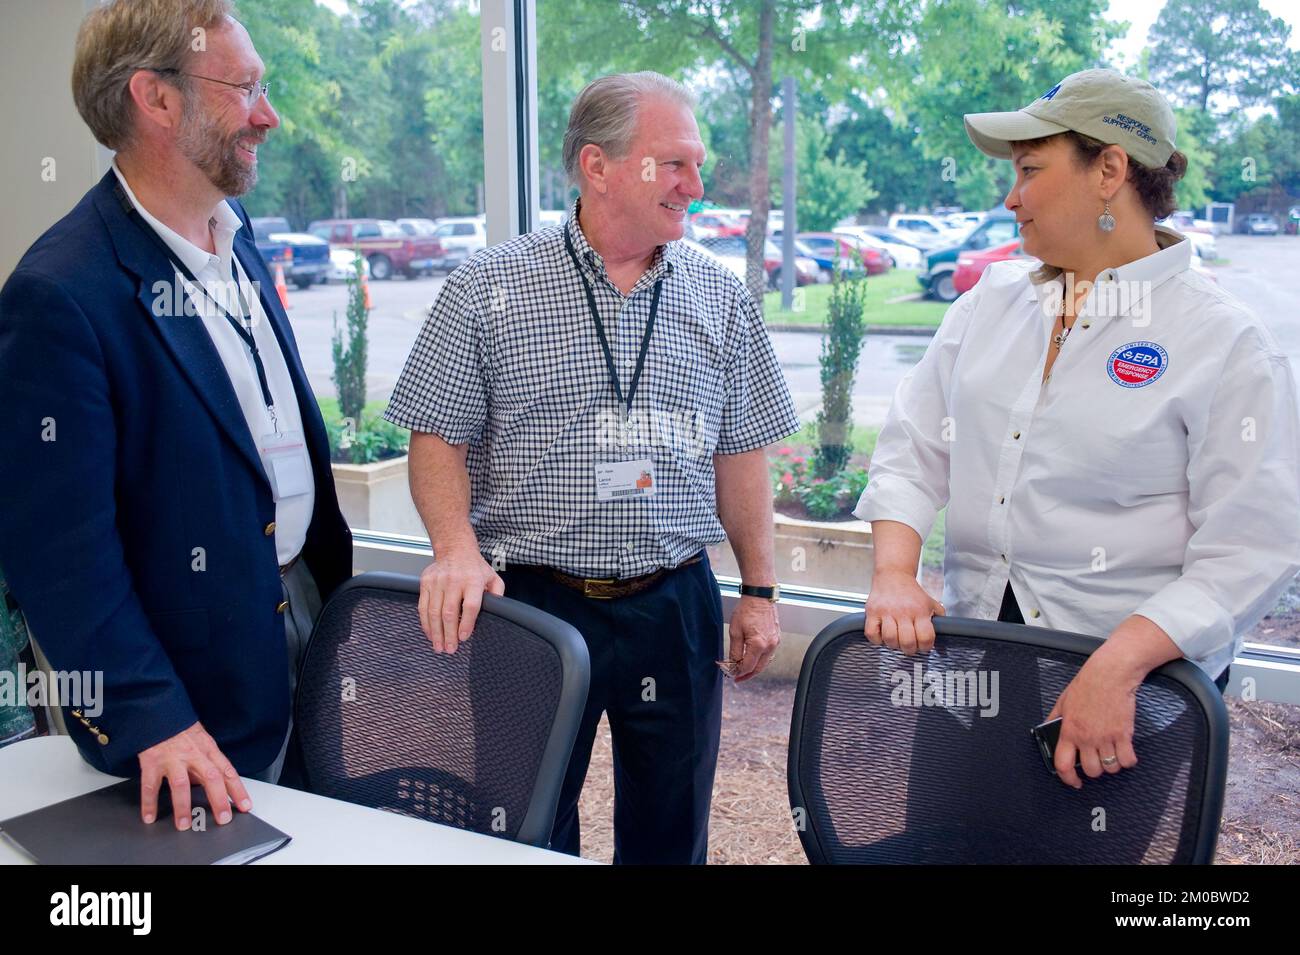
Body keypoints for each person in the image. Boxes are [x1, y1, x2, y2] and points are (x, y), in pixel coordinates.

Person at [384, 71, 799, 863]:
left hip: (673, 600)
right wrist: (453, 546)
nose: (697, 186)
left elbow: (743, 449)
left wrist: (759, 590)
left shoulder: (720, 295)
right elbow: (437, 434)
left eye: (699, 165)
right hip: (532, 601)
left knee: (671, 828)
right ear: (597, 166)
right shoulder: (488, 285)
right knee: (523, 822)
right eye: (674, 163)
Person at [856, 68, 1300, 789]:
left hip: (1118, 706)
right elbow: (913, 447)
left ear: (1110, 171)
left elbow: (1252, 547)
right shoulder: (987, 306)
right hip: (971, 672)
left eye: (1030, 169)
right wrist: (893, 573)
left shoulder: (1224, 342)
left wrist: (1118, 665)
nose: (1011, 197)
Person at [0, 0, 351, 829]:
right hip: (188, 678)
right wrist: (150, 712)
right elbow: (57, 551)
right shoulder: (60, 295)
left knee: (320, 827)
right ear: (155, 100)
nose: (269, 115)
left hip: (303, 608)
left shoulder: (239, 233)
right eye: (246, 88)